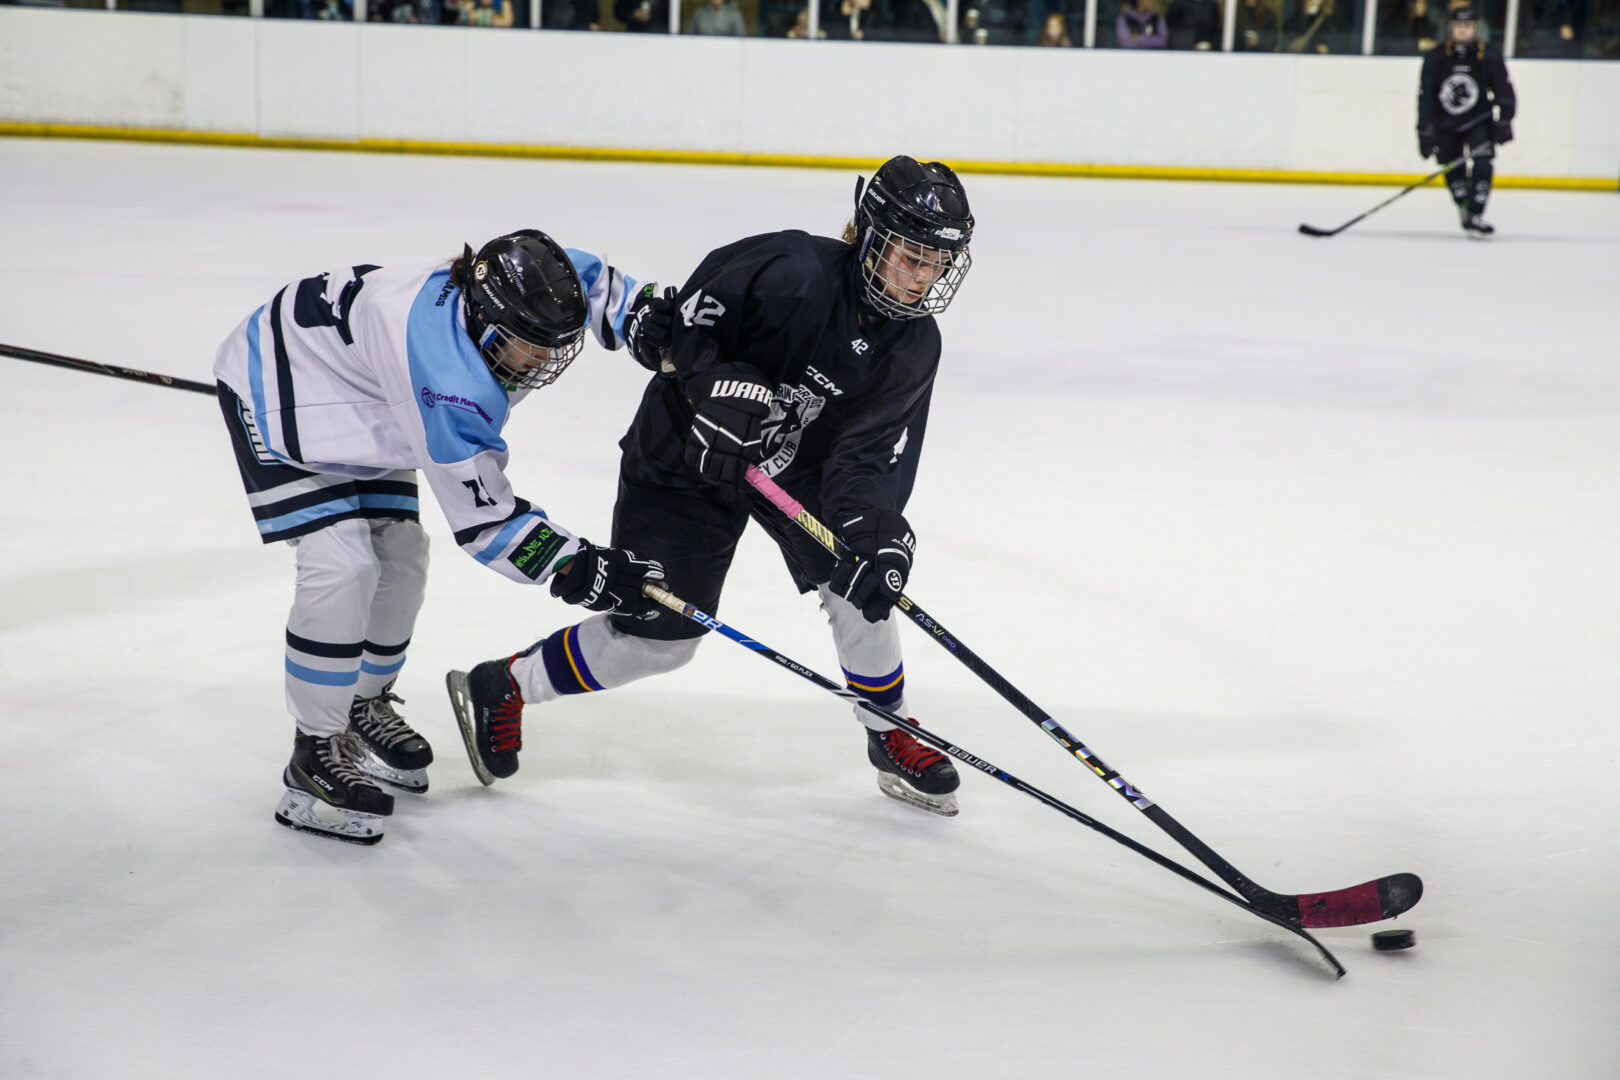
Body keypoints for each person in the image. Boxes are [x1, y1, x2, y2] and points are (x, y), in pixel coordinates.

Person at [447, 157, 975, 818]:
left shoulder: (915, 347)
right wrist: (710, 383)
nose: (922, 278)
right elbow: (686, 327)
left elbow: (866, 458)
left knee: (860, 584)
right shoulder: (790, 270)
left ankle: (889, 728)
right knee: (661, 637)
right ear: (870, 237)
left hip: (791, 468)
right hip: (686, 452)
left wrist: (874, 531)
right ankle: (506, 685)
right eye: (911, 257)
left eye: (936, 264)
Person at [214, 230, 663, 845]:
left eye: (551, 344)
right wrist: (577, 565)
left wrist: (641, 313)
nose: (542, 360)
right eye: (529, 343)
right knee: (343, 564)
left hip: (364, 386)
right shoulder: (448, 382)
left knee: (403, 557)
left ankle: (362, 706)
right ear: (484, 321)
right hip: (280, 390)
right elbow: (486, 523)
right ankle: (314, 750)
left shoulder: (513, 286)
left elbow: (583, 276)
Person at [1418, 6, 1516, 235]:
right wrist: (1424, 130)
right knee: (1453, 171)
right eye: (1458, 25)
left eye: (1467, 25)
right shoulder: (1436, 57)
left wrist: (1504, 120)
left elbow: (1504, 90)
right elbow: (1426, 96)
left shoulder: (1488, 55)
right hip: (1445, 123)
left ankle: (1475, 213)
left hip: (1478, 120)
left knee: (1482, 164)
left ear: (1475, 28)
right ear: (1450, 28)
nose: (1462, 30)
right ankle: (1465, 206)